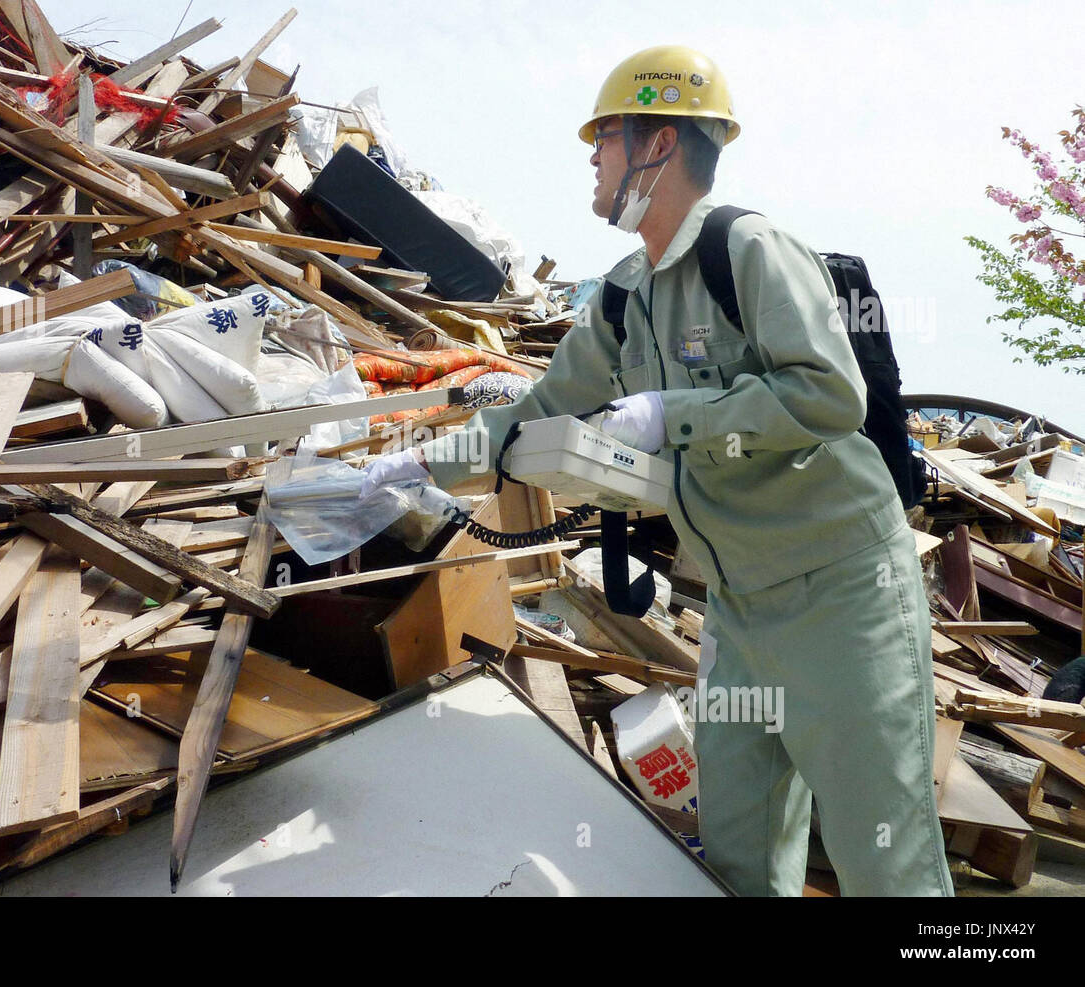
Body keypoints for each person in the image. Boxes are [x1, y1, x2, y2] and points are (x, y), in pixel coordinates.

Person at [361, 45, 952, 897]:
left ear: (659, 145)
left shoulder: (747, 249)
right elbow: (541, 409)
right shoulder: (622, 293)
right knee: (741, 854)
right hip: (737, 609)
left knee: (883, 860)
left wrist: (673, 415)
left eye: (603, 139)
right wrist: (421, 460)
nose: (591, 160)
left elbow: (832, 395)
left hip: (842, 597)